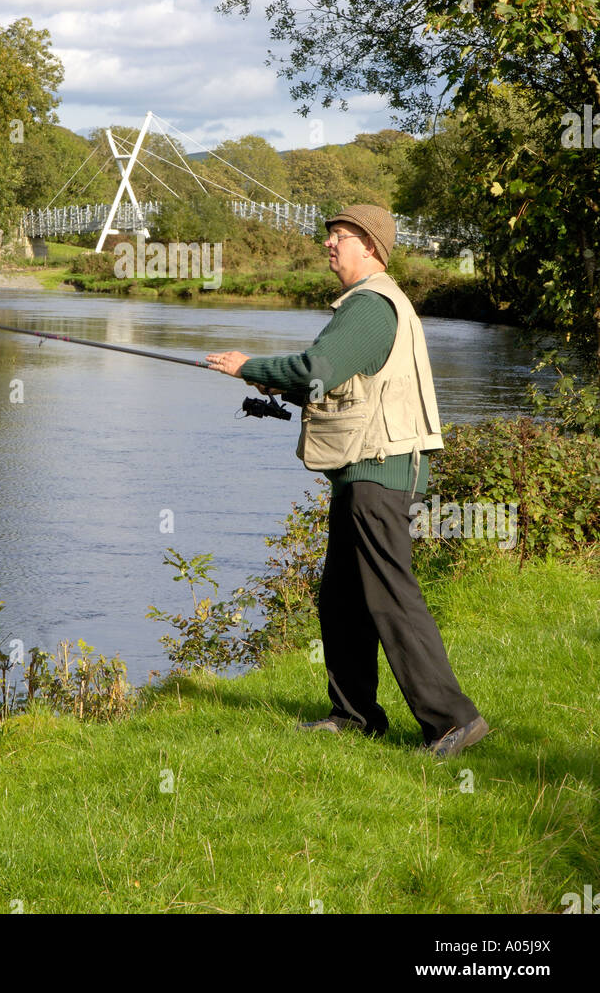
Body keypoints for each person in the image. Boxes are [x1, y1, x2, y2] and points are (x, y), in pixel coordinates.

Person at [206, 203, 488, 759]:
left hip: (380, 471)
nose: (329, 244)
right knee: (341, 599)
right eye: (330, 235)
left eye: (341, 236)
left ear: (372, 248)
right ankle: (355, 715)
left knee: (390, 597)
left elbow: (316, 369)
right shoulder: (366, 307)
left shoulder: (370, 307)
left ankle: (454, 721)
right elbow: (336, 383)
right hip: (363, 469)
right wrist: (284, 388)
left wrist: (250, 366)